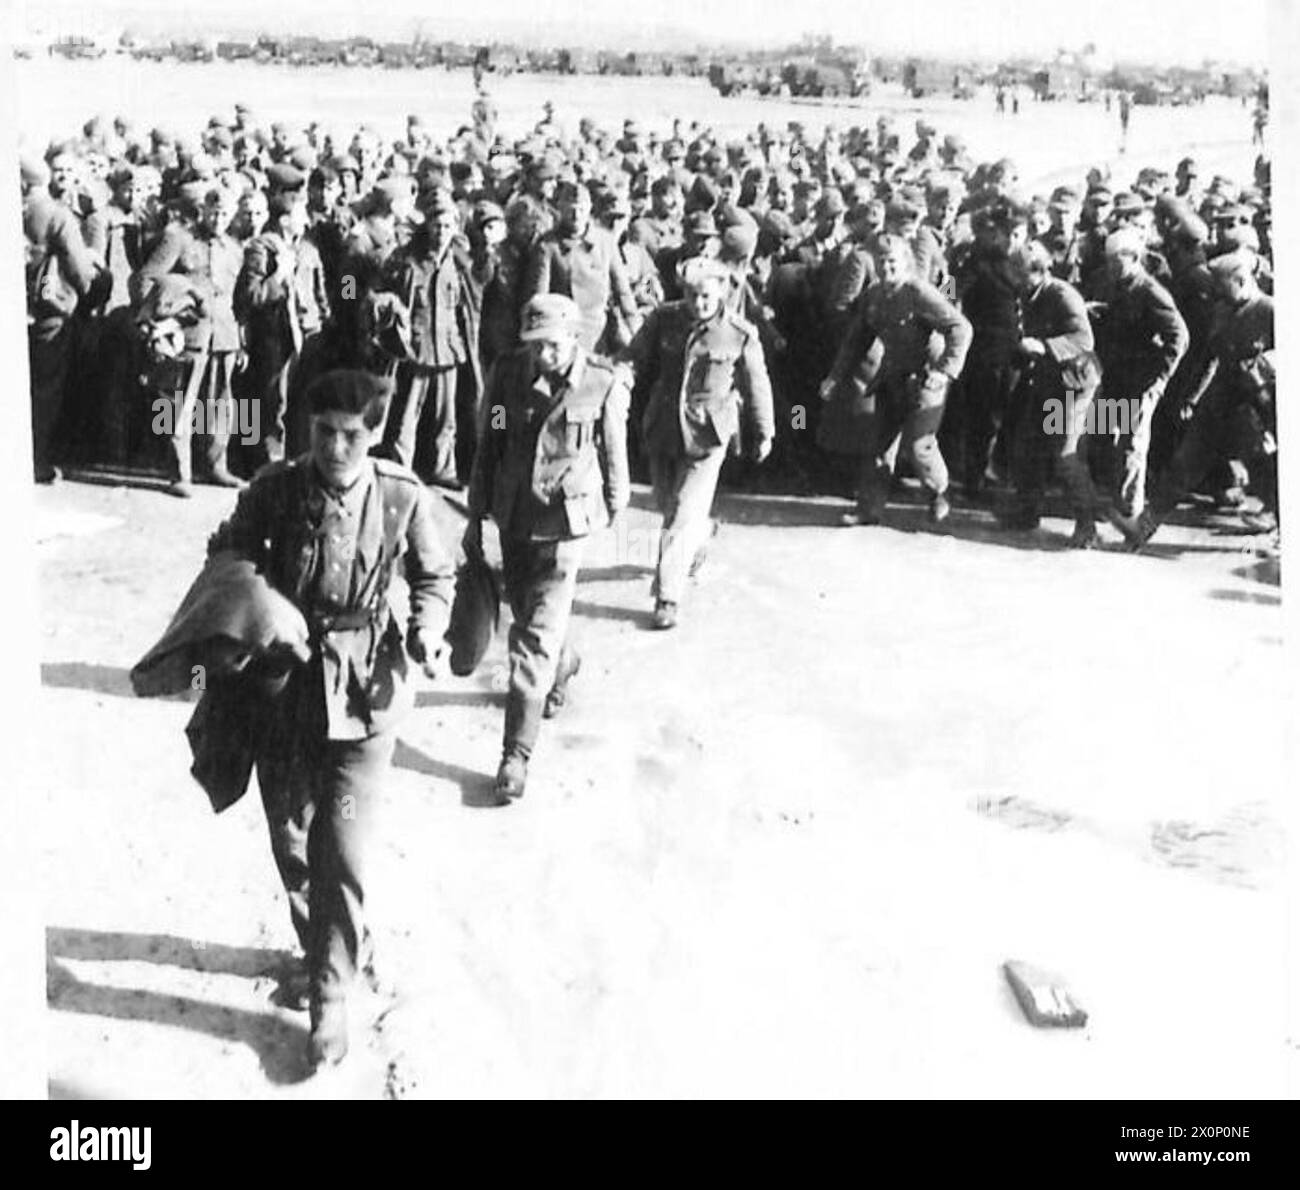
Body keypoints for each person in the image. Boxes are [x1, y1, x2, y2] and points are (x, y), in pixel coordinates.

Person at [205, 368, 455, 1069]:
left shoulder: (403, 497)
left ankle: (329, 999)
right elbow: (225, 554)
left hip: (367, 694)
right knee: (292, 841)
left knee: (342, 850)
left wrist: (427, 630)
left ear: (373, 436)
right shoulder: (273, 491)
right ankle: (331, 947)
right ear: (306, 430)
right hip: (283, 693)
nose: (336, 448)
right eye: (324, 433)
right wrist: (261, 606)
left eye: (352, 435)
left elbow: (436, 578)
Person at [464, 295, 630, 802]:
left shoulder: (601, 382)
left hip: (564, 522)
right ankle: (564, 662)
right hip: (514, 513)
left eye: (553, 346)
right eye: (536, 346)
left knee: (531, 641)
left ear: (574, 339)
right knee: (525, 615)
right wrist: (476, 512)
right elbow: (489, 440)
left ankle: (515, 755)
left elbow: (612, 449)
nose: (544, 356)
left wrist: (615, 503)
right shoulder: (509, 372)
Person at [622, 257, 774, 629]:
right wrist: (619, 374)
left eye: (706, 295)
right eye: (691, 295)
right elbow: (635, 355)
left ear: (722, 292)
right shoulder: (664, 318)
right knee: (666, 503)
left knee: (679, 510)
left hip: (708, 434)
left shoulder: (740, 333)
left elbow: (758, 384)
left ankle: (667, 596)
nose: (698, 303)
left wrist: (764, 429)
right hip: (663, 428)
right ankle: (701, 535)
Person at [1120, 251, 1275, 548]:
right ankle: (1144, 526)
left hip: (1257, 404)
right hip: (1220, 399)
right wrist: (1192, 397)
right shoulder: (1221, 310)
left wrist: (1267, 365)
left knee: (1264, 466)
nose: (1214, 289)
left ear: (1242, 280)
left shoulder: (1269, 311)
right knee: (1185, 462)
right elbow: (1209, 358)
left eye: (1221, 283)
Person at [820, 234, 972, 526]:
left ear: (905, 264)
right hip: (893, 377)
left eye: (892, 262)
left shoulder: (919, 292)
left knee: (919, 445)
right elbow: (856, 340)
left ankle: (938, 494)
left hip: (927, 380)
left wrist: (945, 371)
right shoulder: (874, 295)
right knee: (877, 445)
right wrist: (835, 377)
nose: (886, 267)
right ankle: (869, 510)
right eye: (880, 262)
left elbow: (960, 327)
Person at [999, 241, 1103, 546]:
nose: (1014, 278)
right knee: (1027, 446)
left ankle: (1087, 526)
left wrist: (1044, 347)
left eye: (1019, 272)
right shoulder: (1028, 293)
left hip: (1076, 384)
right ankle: (1027, 512)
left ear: (1037, 270)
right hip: (1046, 380)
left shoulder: (1061, 294)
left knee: (1065, 454)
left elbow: (1084, 339)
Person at [1088, 227, 1188, 522]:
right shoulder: (1108, 283)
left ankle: (1129, 508)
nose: (1110, 267)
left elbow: (1178, 337)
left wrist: (1158, 378)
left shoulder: (1151, 291)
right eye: (1107, 261)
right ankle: (1106, 497)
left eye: (1115, 261)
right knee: (1104, 434)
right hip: (1113, 375)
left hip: (1140, 380)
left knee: (1132, 443)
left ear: (1133, 258)